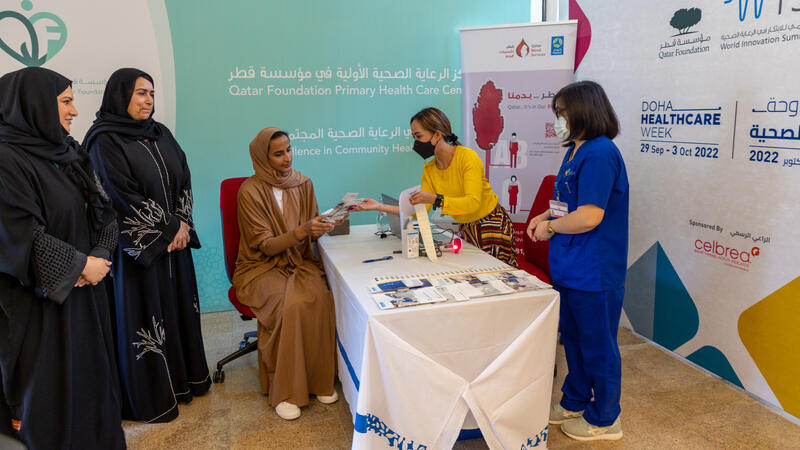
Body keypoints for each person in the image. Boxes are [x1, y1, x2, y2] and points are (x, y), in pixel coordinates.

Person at [0, 67, 126, 449]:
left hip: (87, 293)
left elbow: (105, 212)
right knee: (52, 393)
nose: (74, 111)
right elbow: (20, 233)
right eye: (66, 101)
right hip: (40, 306)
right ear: (35, 104)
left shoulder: (70, 151)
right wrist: (79, 266)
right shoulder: (7, 159)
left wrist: (100, 256)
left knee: (93, 383)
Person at [83, 68, 210, 423]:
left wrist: (182, 225)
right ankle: (152, 398)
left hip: (175, 246)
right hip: (139, 252)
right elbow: (117, 192)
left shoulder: (160, 133)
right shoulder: (102, 140)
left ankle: (186, 382)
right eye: (140, 93)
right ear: (119, 95)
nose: (148, 100)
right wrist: (170, 228)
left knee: (179, 310)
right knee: (146, 318)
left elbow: (184, 178)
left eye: (151, 93)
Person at [526, 80, 628, 441]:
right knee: (573, 339)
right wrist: (543, 217)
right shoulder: (574, 151)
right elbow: (565, 205)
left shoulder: (600, 153)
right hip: (570, 267)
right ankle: (574, 400)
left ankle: (605, 419)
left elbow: (589, 216)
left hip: (594, 270)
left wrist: (551, 228)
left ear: (584, 111)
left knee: (597, 344)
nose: (558, 120)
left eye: (563, 112)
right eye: (557, 113)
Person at [233, 127, 338, 420]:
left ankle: (319, 381)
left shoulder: (304, 183)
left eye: (289, 150)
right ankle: (286, 389)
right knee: (288, 303)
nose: (287, 158)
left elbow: (310, 236)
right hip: (259, 267)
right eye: (278, 153)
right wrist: (303, 230)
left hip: (298, 261)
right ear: (262, 156)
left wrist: (323, 226)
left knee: (320, 296)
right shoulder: (250, 191)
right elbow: (265, 246)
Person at [355, 107, 517, 267]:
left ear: (437, 135)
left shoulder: (467, 158)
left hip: (492, 224)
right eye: (414, 137)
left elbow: (472, 203)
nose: (416, 143)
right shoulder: (430, 169)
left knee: (500, 276)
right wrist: (379, 207)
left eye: (419, 136)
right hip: (467, 228)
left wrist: (435, 199)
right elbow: (419, 212)